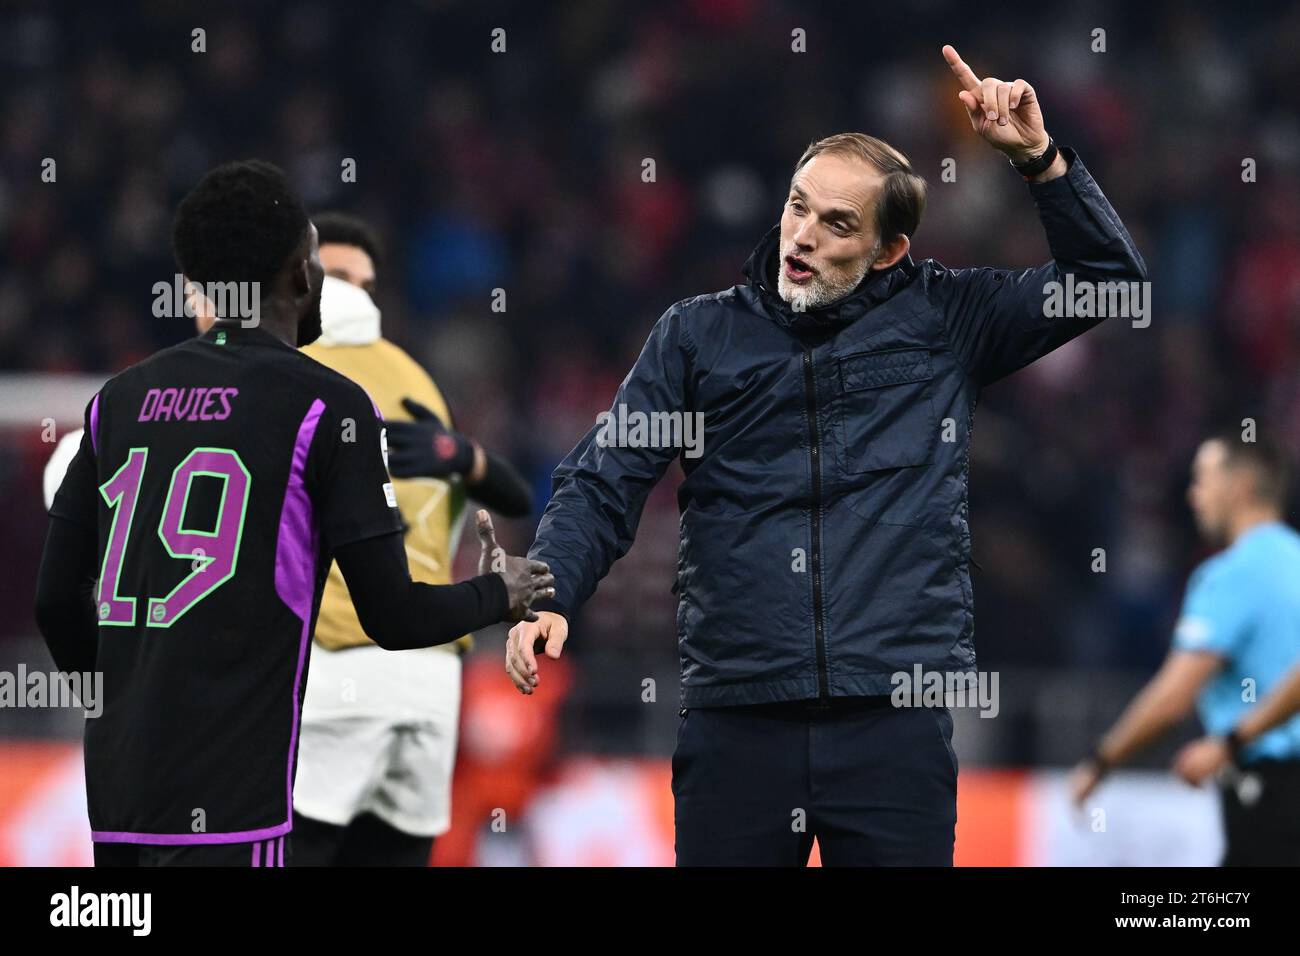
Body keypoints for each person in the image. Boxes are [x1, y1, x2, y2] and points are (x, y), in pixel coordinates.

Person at [506, 45, 1147, 866]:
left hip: (895, 719)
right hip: (739, 717)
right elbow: (604, 479)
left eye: (838, 223)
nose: (801, 237)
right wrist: (551, 591)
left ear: (889, 251)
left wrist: (1041, 163)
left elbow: (1110, 281)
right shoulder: (698, 336)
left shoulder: (948, 319)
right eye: (797, 208)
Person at [33, 160, 553, 867]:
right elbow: (393, 617)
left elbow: (55, 602)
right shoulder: (327, 406)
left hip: (121, 804)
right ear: (301, 275)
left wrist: (120, 697)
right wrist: (503, 592)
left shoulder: (116, 400)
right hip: (235, 812)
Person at [288, 212, 532, 866]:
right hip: (429, 677)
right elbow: (514, 496)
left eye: (354, 280)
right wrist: (467, 456)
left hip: (334, 661)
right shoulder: (422, 384)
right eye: (336, 275)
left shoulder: (293, 374)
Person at [1070, 431, 1300, 866]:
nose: (1194, 496)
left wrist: (1101, 760)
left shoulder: (1230, 575)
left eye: (1202, 480)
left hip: (1270, 795)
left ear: (1240, 486)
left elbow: (1172, 700)